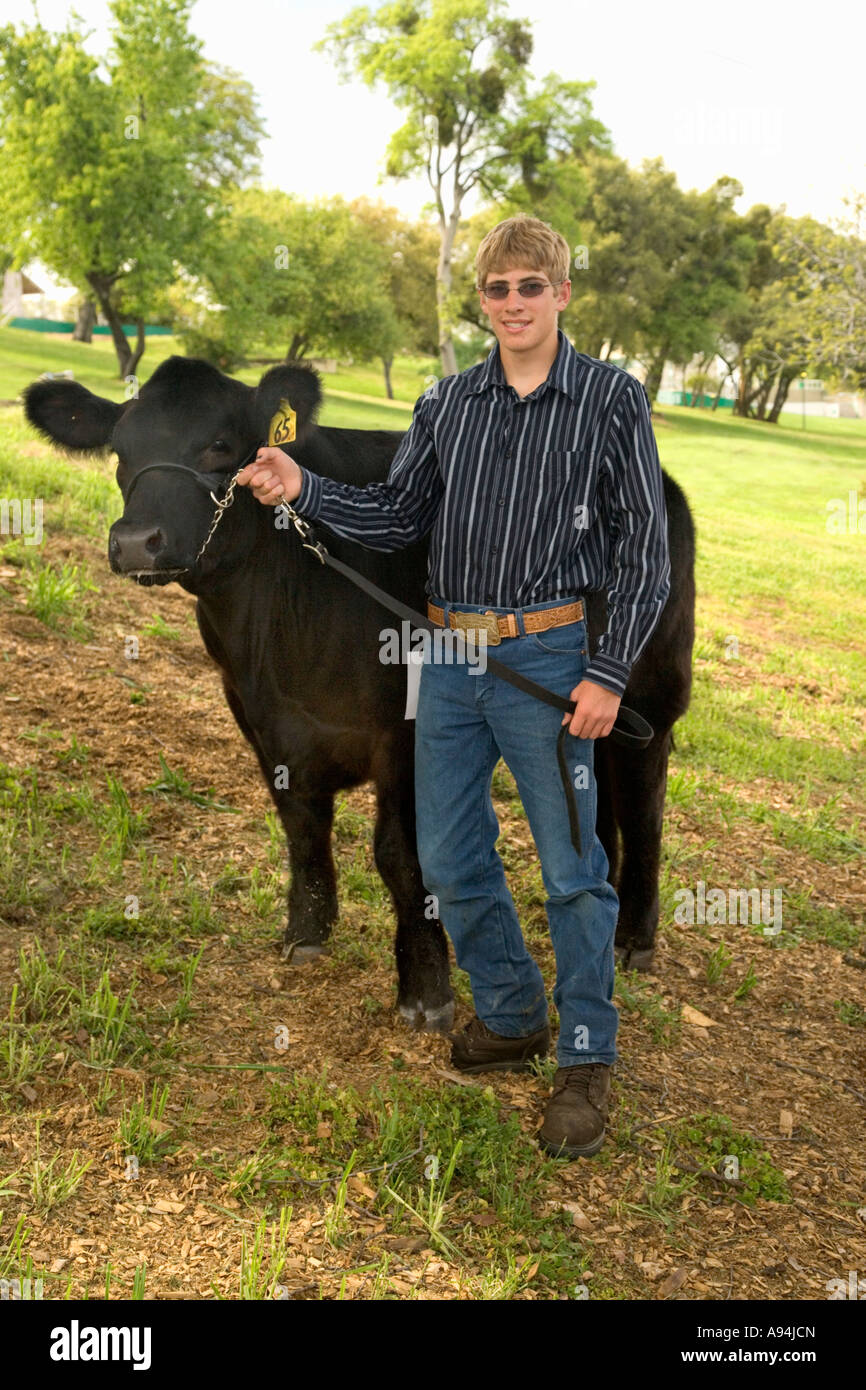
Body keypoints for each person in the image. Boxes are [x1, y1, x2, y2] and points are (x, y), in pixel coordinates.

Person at [237, 214, 670, 1159]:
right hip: (447, 662)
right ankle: (514, 1013)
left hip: (550, 662)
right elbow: (395, 513)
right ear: (483, 301)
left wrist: (606, 670)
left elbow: (645, 552)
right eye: (496, 289)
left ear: (561, 293)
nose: (512, 303)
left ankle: (587, 1054)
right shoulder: (448, 404)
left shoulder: (609, 401)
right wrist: (300, 484)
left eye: (530, 286)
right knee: (445, 855)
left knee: (570, 870)